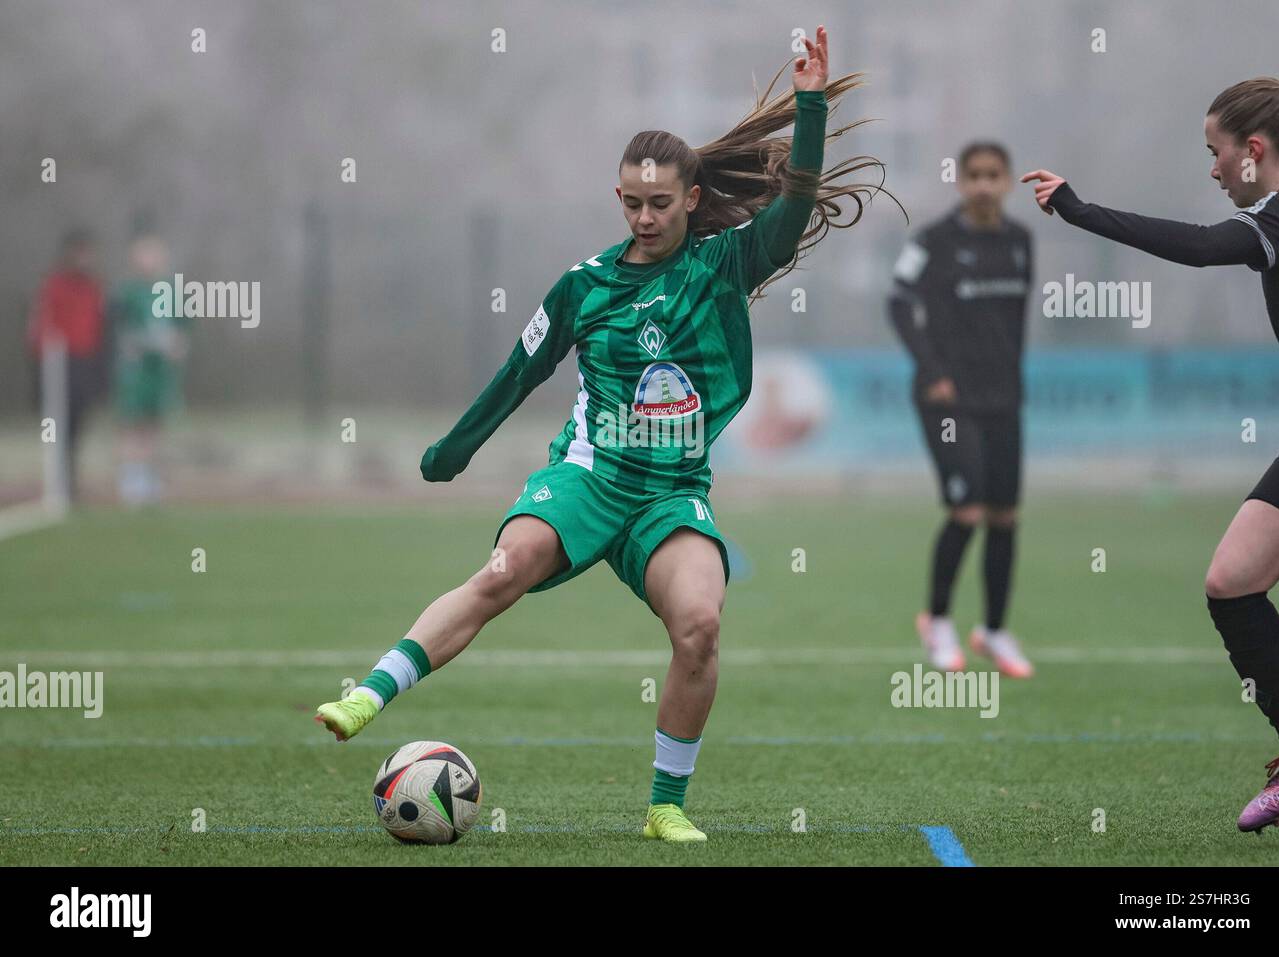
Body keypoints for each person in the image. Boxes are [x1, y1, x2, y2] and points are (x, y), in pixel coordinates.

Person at [318, 26, 882, 842]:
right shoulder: (584, 285)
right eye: (630, 202)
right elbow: (521, 368)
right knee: (503, 569)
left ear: (691, 198)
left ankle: (663, 807)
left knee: (701, 626)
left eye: (659, 202)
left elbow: (794, 207)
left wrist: (809, 106)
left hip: (670, 497)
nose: (644, 216)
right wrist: (456, 448)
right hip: (588, 477)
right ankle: (368, 694)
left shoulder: (727, 265)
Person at [1023, 77, 1279, 833]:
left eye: (1215, 154)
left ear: (1253, 150)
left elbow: (1203, 247)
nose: (1212, 170)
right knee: (1232, 581)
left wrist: (1080, 210)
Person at [888, 142, 1035, 677]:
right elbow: (898, 302)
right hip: (948, 402)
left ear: (1008, 180)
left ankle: (994, 631)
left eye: (993, 175)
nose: (982, 185)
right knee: (966, 510)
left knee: (1004, 516)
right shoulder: (933, 241)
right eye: (973, 175)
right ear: (961, 181)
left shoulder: (1021, 241)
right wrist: (933, 372)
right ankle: (939, 621)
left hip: (1004, 399)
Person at [109, 232, 188, 506]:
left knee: (154, 425)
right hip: (136, 371)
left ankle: (152, 478)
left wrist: (175, 346)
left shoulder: (172, 291)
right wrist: (139, 343)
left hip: (160, 371)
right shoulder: (126, 292)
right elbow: (116, 328)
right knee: (133, 424)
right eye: (144, 255)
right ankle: (132, 480)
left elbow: (181, 331)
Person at [27, 229, 105, 502]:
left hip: (84, 364)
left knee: (76, 427)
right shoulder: (54, 286)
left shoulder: (93, 288)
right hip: (57, 366)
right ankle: (55, 483)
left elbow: (97, 329)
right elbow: (41, 328)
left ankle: (69, 483)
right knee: (54, 426)